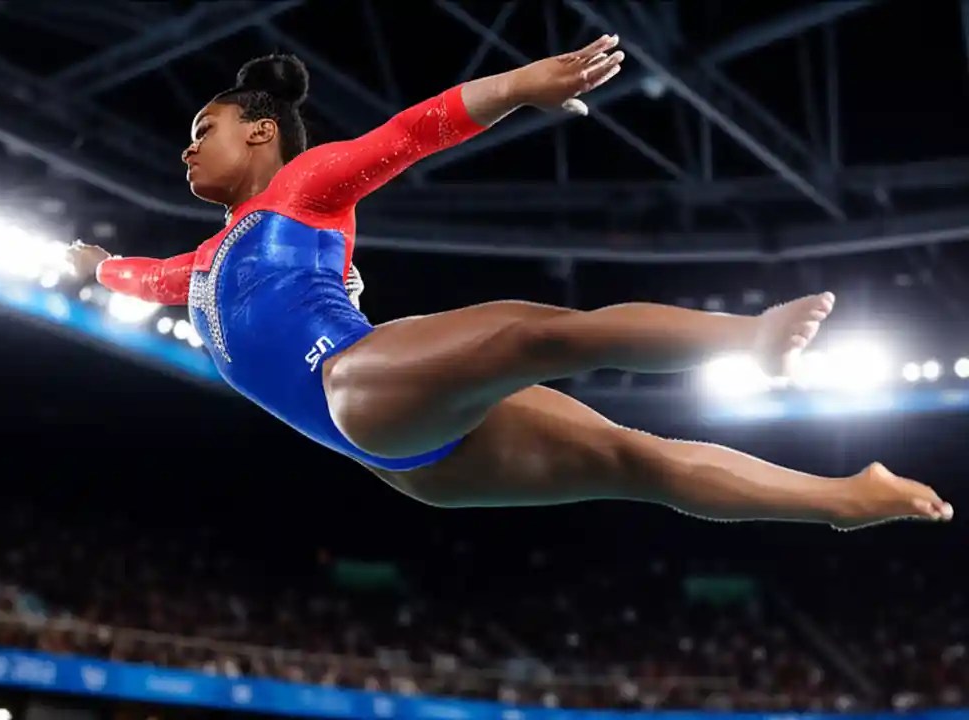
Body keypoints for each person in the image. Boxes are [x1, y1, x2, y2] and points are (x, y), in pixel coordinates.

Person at [69, 36, 953, 531]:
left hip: (361, 385)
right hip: (395, 449)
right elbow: (144, 277)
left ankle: (837, 491)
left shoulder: (307, 187)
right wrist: (93, 268)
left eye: (205, 127)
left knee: (622, 436)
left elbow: (409, 134)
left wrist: (518, 86)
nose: (188, 146)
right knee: (603, 430)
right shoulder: (205, 265)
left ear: (262, 134)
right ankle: (795, 425)